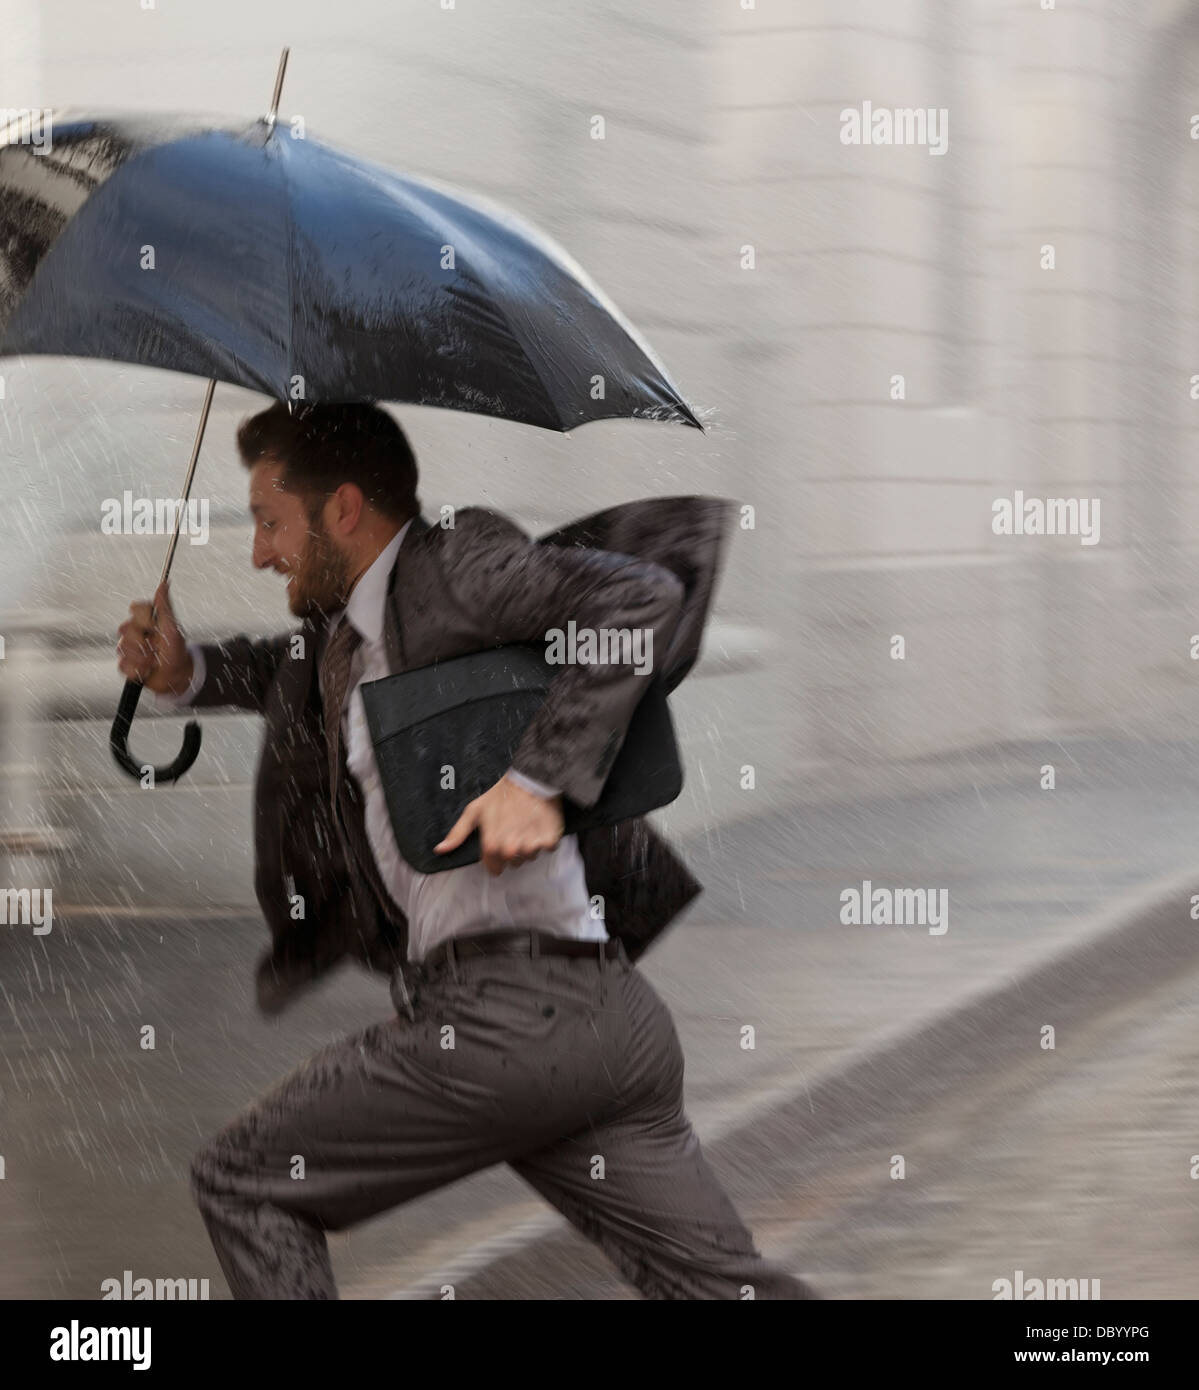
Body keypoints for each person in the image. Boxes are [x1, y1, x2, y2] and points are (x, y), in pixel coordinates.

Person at [115, 401, 817, 1300]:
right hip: (602, 1025)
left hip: (503, 1021)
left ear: (343, 511)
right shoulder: (348, 636)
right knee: (720, 1288)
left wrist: (537, 782)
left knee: (247, 1180)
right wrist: (185, 672)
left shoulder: (457, 561)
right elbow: (281, 670)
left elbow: (637, 595)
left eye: (267, 521)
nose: (257, 552)